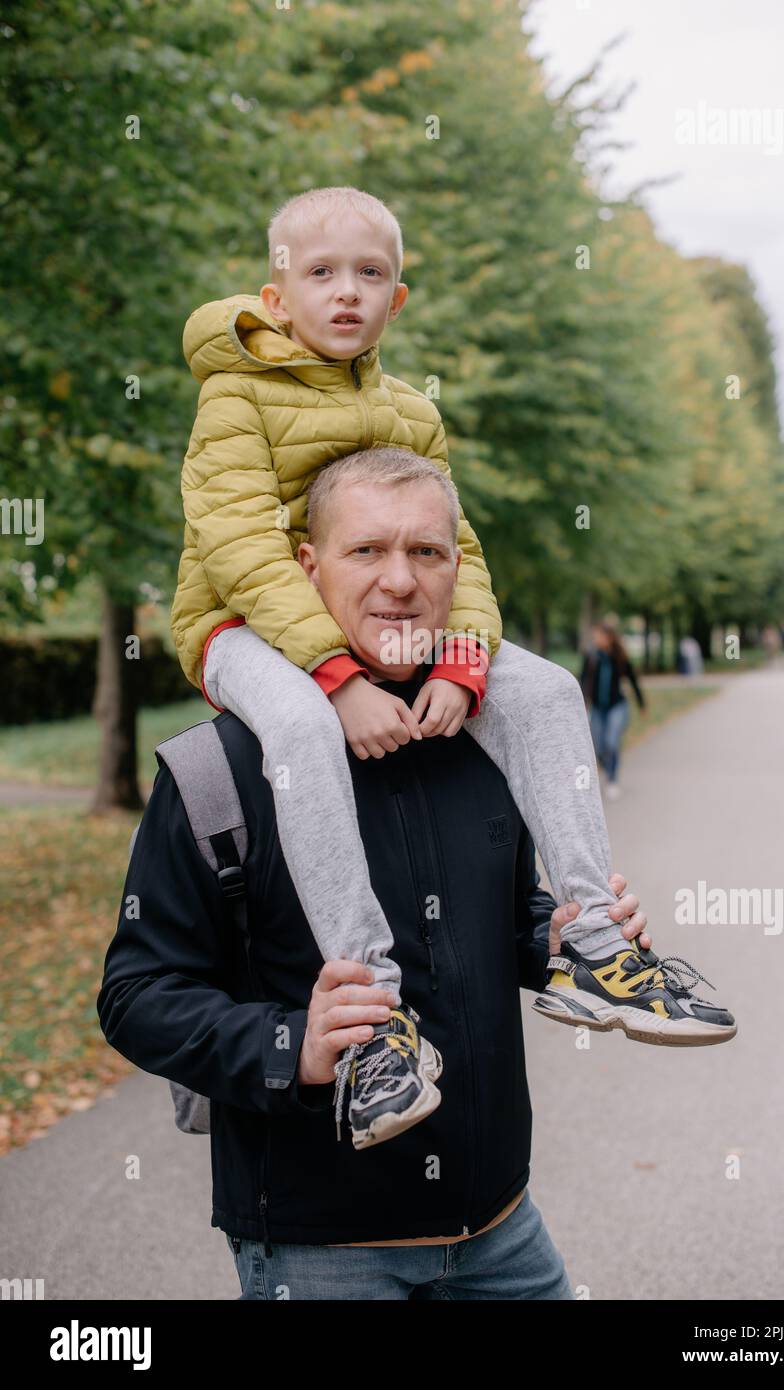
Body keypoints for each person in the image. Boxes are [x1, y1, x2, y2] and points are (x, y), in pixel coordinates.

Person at [169, 187, 736, 1152]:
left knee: (548, 690)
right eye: (320, 273)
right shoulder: (234, 392)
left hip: (374, 625)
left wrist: (465, 665)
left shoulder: (408, 413)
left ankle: (597, 943)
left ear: (398, 300)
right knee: (301, 728)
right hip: (242, 624)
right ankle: (375, 1020)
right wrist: (338, 675)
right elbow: (234, 544)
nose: (345, 292)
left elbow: (455, 555)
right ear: (276, 293)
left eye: (370, 274)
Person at [97, 461, 656, 1299]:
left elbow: (497, 921)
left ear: (456, 569)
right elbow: (136, 995)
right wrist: (296, 1047)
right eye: (366, 550)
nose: (400, 581)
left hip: (499, 1227)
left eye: (426, 552)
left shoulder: (481, 740)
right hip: (319, 1247)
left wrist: (552, 939)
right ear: (305, 567)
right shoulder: (219, 770)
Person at [580, 622, 646, 800]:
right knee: (597, 746)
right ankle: (607, 769)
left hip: (617, 706)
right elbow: (583, 680)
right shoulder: (592, 656)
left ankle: (612, 779)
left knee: (611, 742)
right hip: (598, 708)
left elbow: (633, 681)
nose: (596, 639)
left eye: (599, 636)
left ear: (608, 638)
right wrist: (582, 702)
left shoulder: (620, 657)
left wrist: (642, 704)